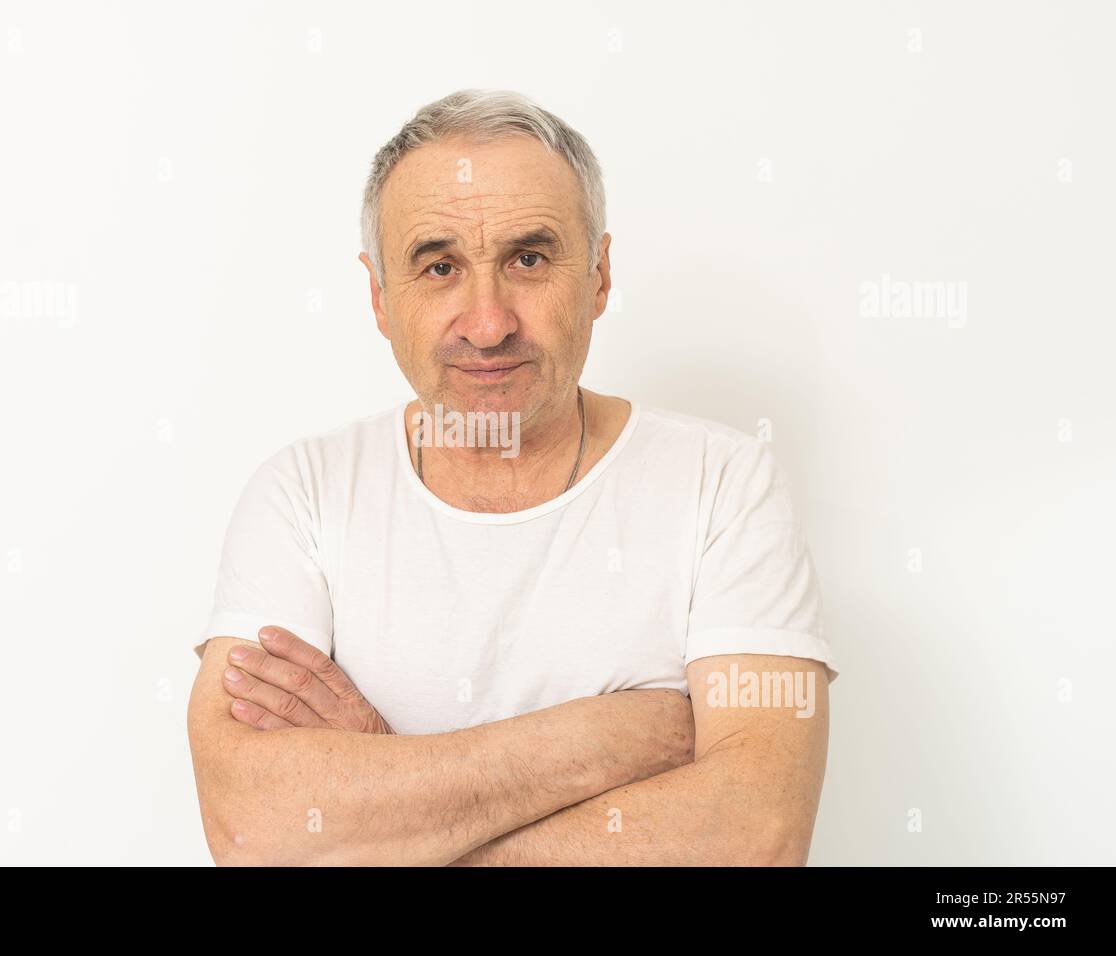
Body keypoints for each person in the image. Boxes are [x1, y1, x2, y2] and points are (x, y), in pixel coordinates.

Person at [187, 88, 839, 866]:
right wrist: (601, 738)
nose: (489, 322)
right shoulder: (303, 495)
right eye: (439, 266)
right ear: (379, 297)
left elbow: (752, 839)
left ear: (598, 276)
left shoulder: (724, 483)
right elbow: (253, 830)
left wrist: (392, 811)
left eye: (528, 259)